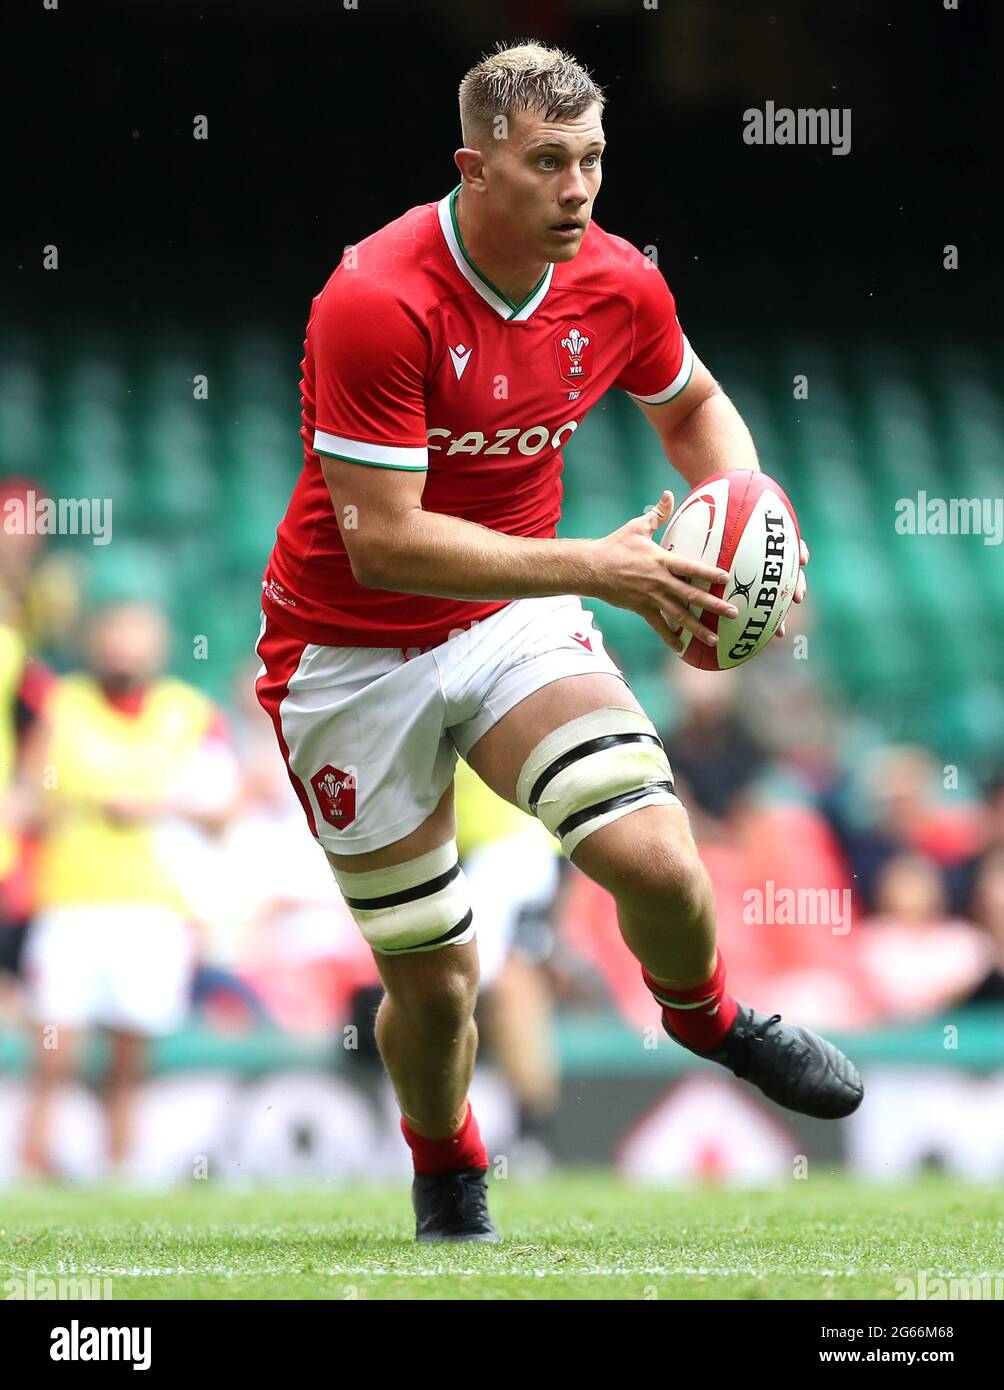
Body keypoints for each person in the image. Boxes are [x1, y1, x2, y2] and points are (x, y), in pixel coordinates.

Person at [255, 41, 862, 1242]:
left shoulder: (617, 282)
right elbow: (384, 545)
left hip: (512, 618)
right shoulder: (375, 299)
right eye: (547, 162)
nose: (577, 187)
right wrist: (602, 565)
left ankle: (706, 1020)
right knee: (434, 981)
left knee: (657, 858)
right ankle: (447, 1162)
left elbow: (689, 406)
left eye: (590, 158)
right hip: (345, 653)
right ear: (472, 168)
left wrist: (749, 531)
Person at [15, 599, 239, 1178]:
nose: (124, 649)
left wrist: (154, 805)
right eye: (115, 635)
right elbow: (26, 794)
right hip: (70, 900)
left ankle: (120, 1167)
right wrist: (50, 805)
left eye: (136, 636)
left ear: (159, 647)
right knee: (55, 1049)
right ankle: (32, 1164)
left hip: (153, 906)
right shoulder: (61, 705)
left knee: (129, 1052)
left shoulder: (189, 714)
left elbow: (222, 811)